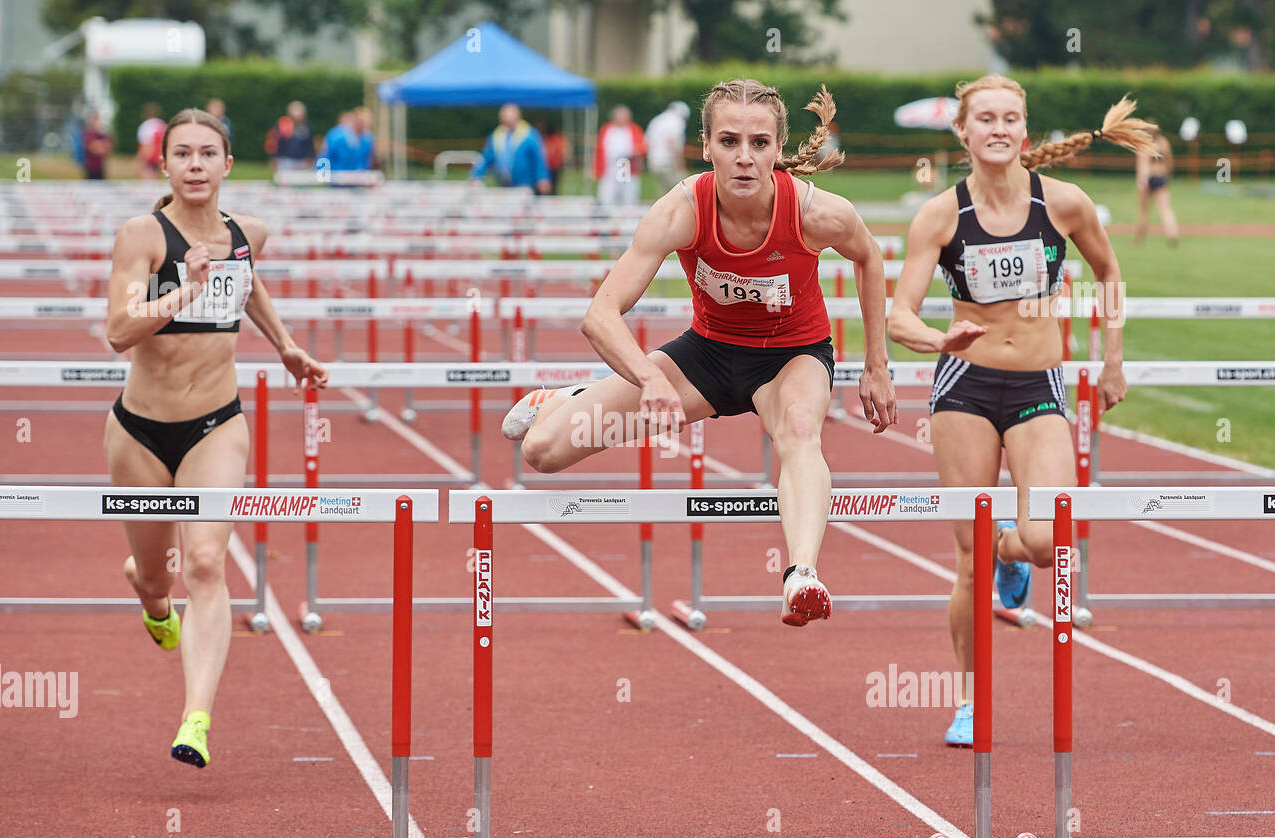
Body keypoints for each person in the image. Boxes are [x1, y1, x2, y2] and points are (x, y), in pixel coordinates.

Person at [503, 80, 897, 626]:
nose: (744, 158)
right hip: (705, 357)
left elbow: (870, 258)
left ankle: (801, 574)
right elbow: (599, 316)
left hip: (790, 356)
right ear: (706, 146)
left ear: (778, 150)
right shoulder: (682, 210)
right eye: (729, 141)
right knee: (541, 451)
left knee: (801, 430)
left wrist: (877, 367)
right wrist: (652, 380)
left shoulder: (815, 212)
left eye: (759, 144)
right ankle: (566, 399)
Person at [886, 75, 1150, 746]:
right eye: (986, 118)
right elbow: (898, 314)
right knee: (967, 560)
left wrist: (1112, 358)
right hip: (965, 388)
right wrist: (934, 338)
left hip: (1039, 386)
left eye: (1011, 117)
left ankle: (1011, 548)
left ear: (1024, 132)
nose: (998, 128)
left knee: (1050, 539)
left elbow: (1111, 274)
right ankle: (971, 699)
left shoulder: (1063, 203)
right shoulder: (941, 216)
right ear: (964, 132)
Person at [105, 108, 328, 767]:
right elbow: (118, 329)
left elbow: (247, 281)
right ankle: (148, 593)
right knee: (156, 577)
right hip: (139, 434)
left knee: (205, 561)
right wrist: (182, 287)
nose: (196, 165)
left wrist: (285, 346)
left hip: (216, 424)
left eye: (208, 154)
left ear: (228, 165)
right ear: (165, 165)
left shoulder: (246, 232)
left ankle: (195, 719)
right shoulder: (142, 234)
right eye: (184, 154)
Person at [469, 104, 550, 194]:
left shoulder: (529, 135)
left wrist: (542, 178)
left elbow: (538, 158)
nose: (505, 121)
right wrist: (476, 175)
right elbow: (486, 157)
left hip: (524, 184)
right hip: (503, 184)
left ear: (517, 117)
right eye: (503, 118)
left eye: (508, 117)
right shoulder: (497, 135)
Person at [1133, 123, 1179, 245]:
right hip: (1161, 177)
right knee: (1165, 209)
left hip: (1148, 177)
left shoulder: (1143, 144)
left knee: (1144, 210)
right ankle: (1172, 234)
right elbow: (1169, 161)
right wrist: (1167, 176)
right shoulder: (1164, 142)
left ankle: (1139, 237)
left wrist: (1142, 181)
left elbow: (1142, 165)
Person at [595, 105, 647, 206]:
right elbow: (600, 150)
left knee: (629, 197)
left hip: (628, 168)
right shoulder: (606, 130)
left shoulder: (634, 129)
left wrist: (633, 152)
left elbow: (641, 147)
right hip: (610, 169)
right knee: (607, 196)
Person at [645, 101, 690, 196]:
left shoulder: (657, 120)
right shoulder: (676, 120)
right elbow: (673, 141)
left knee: (664, 193)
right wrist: (680, 161)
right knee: (684, 191)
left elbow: (647, 142)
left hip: (654, 162)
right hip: (668, 163)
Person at [265, 101, 315, 172]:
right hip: (285, 161)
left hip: (303, 162)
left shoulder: (307, 126)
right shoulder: (282, 124)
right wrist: (272, 157)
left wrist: (310, 157)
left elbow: (310, 143)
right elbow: (272, 142)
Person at [136, 103, 166, 180]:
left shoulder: (146, 126)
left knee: (149, 184)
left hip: (151, 158)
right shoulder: (163, 124)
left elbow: (146, 145)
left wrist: (142, 161)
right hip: (163, 156)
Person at [536, 119, 566, 194]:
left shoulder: (554, 139)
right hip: (548, 167)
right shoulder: (546, 139)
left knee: (552, 188)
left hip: (553, 167)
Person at [82, 112, 113, 181]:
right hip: (90, 168)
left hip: (100, 168)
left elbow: (108, 148)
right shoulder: (88, 133)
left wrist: (98, 145)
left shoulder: (101, 134)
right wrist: (101, 146)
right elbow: (92, 148)